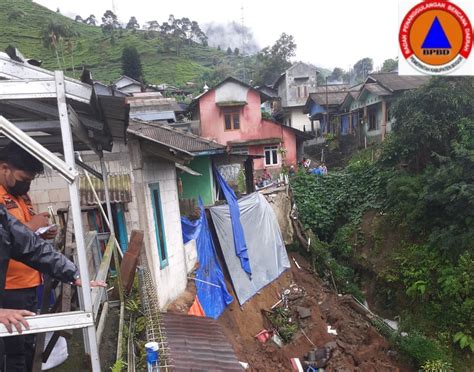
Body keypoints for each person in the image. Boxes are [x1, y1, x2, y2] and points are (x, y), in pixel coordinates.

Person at [0, 204, 106, 371]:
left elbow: (31, 245)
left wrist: (73, 275)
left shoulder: (3, 217)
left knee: (23, 347)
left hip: (26, 285)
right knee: (14, 351)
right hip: (12, 290)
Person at [0, 143, 59, 371]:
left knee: (27, 343)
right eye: (25, 177)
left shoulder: (20, 195)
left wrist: (42, 232)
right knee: (13, 349)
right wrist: (31, 227)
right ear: (5, 168)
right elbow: (11, 236)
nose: (28, 184)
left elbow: (24, 239)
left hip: (29, 283)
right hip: (9, 288)